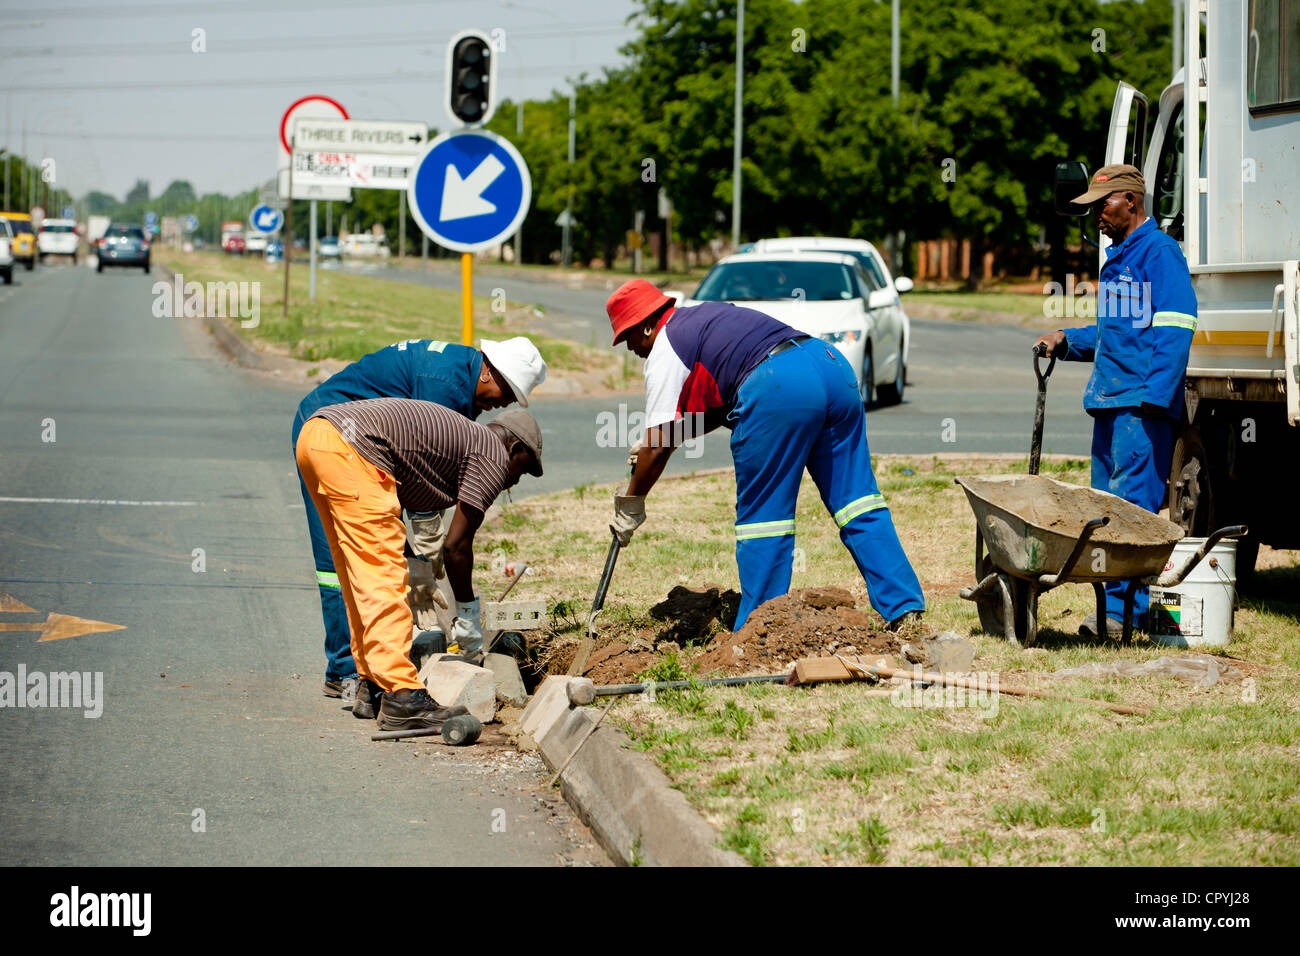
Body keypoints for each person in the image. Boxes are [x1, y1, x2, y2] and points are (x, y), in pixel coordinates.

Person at [605, 279, 925, 632]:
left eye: (628, 337)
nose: (631, 348)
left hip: (777, 384)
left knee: (765, 517)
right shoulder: (705, 319)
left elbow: (658, 443)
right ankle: (905, 608)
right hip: (829, 366)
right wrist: (661, 440)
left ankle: (761, 629)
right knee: (858, 500)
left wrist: (631, 502)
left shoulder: (666, 345)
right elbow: (713, 412)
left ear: (646, 324)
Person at [291, 337, 546, 699]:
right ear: (488, 369)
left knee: (360, 562)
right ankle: (391, 688)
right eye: (507, 391)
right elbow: (456, 545)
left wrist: (414, 556)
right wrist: (465, 610)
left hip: (331, 438)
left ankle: (367, 681)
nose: (503, 403)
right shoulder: (451, 392)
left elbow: (402, 478)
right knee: (364, 569)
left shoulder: (461, 386)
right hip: (343, 442)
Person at [1034, 163, 1197, 637]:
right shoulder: (1119, 257)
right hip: (1109, 404)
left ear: (1131, 200)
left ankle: (1128, 611)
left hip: (1140, 408)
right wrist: (1067, 339)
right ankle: (1110, 608)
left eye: (1102, 205)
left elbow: (1176, 328)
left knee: (1133, 511)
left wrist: (1153, 399)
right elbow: (1115, 335)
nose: (1096, 217)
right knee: (1103, 511)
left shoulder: (1160, 254)